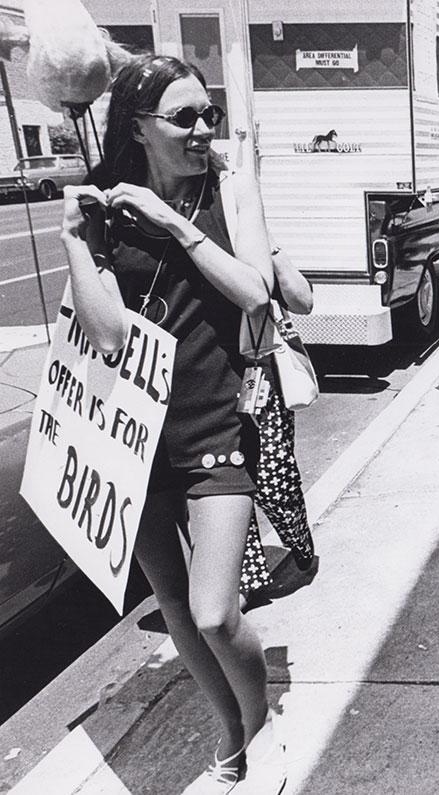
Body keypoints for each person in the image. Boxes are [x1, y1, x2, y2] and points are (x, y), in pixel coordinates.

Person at [60, 54, 286, 793]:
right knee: (178, 615)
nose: (203, 130)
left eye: (208, 114)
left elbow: (256, 292)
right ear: (139, 126)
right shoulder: (103, 207)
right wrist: (74, 241)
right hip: (131, 440)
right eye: (184, 117)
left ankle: (261, 729)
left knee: (217, 610)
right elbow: (108, 338)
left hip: (216, 423)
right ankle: (228, 735)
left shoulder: (230, 185)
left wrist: (174, 226)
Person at [241, 242, 317, 599]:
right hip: (205, 382)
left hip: (259, 381)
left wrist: (273, 255)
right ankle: (247, 579)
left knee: (274, 478)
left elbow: (304, 302)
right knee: (225, 484)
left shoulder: (252, 244)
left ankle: (301, 547)